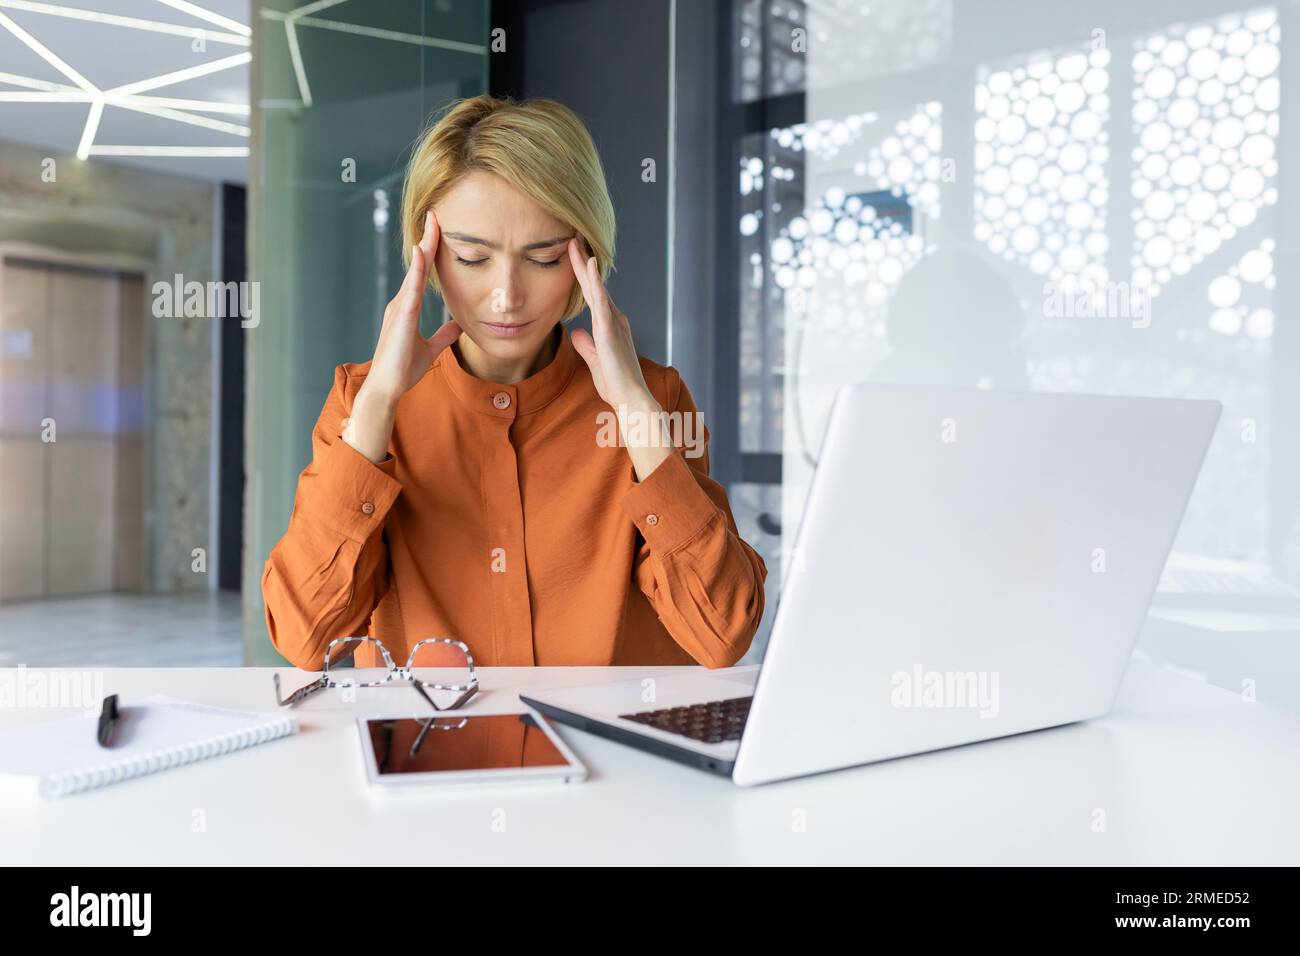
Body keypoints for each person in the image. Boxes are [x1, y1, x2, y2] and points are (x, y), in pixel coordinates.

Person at [261, 94, 767, 672]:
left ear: (587, 257)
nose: (506, 297)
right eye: (472, 258)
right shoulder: (363, 403)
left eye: (545, 258)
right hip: (432, 754)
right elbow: (304, 637)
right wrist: (379, 404)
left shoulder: (655, 401)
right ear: (424, 257)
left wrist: (636, 413)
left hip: (608, 760)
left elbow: (723, 634)